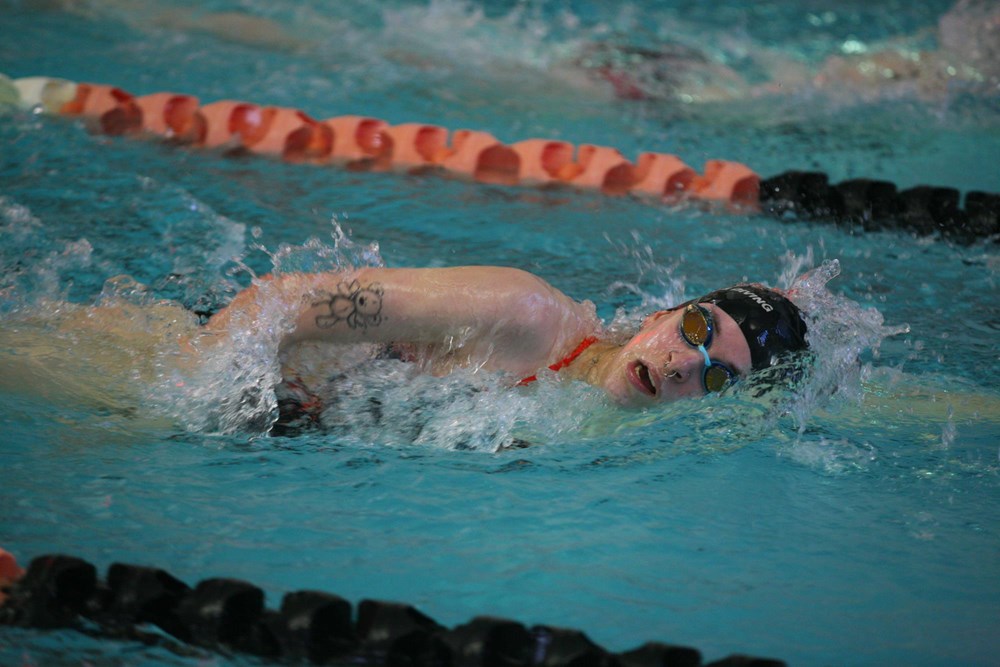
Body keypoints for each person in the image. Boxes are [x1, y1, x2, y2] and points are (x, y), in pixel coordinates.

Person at [202, 266, 809, 426]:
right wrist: (193, 393)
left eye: (716, 376)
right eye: (696, 330)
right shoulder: (522, 314)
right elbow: (278, 304)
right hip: (224, 378)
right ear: (660, 313)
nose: (680, 366)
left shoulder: (619, 430)